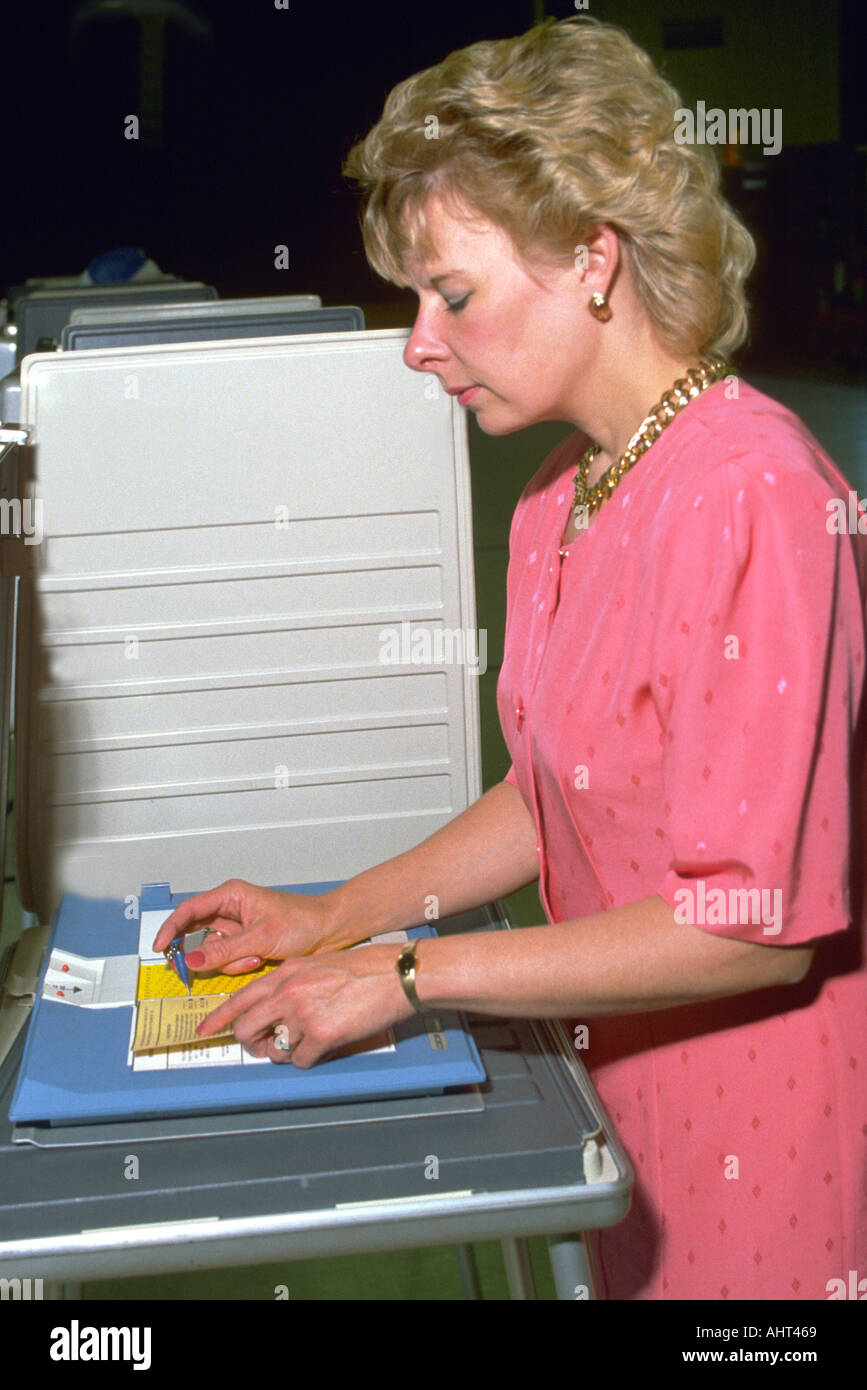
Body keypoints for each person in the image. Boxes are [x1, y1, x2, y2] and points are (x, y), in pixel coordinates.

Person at [154, 16, 867, 1300]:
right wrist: (340, 912)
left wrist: (412, 975)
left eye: (455, 294)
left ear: (595, 260)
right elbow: (559, 794)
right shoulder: (561, 494)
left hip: (760, 1129)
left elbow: (754, 926)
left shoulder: (757, 495)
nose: (419, 341)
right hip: (619, 1091)